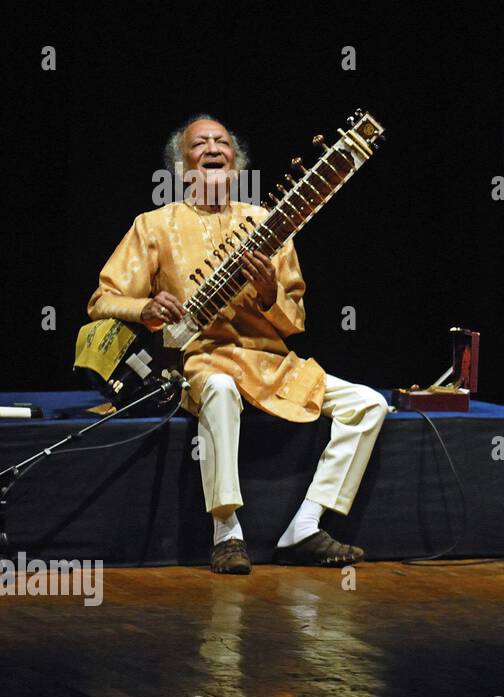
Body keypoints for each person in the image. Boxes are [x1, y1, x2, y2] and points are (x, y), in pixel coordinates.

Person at [87, 115, 389, 573]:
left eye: (222, 143)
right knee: (222, 389)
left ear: (235, 163)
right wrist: (145, 308)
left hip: (271, 364)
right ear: (182, 166)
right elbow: (102, 302)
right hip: (202, 363)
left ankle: (304, 526)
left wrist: (269, 292)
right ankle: (226, 533)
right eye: (199, 144)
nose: (212, 148)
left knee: (369, 404)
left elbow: (296, 320)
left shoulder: (269, 225)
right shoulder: (154, 226)